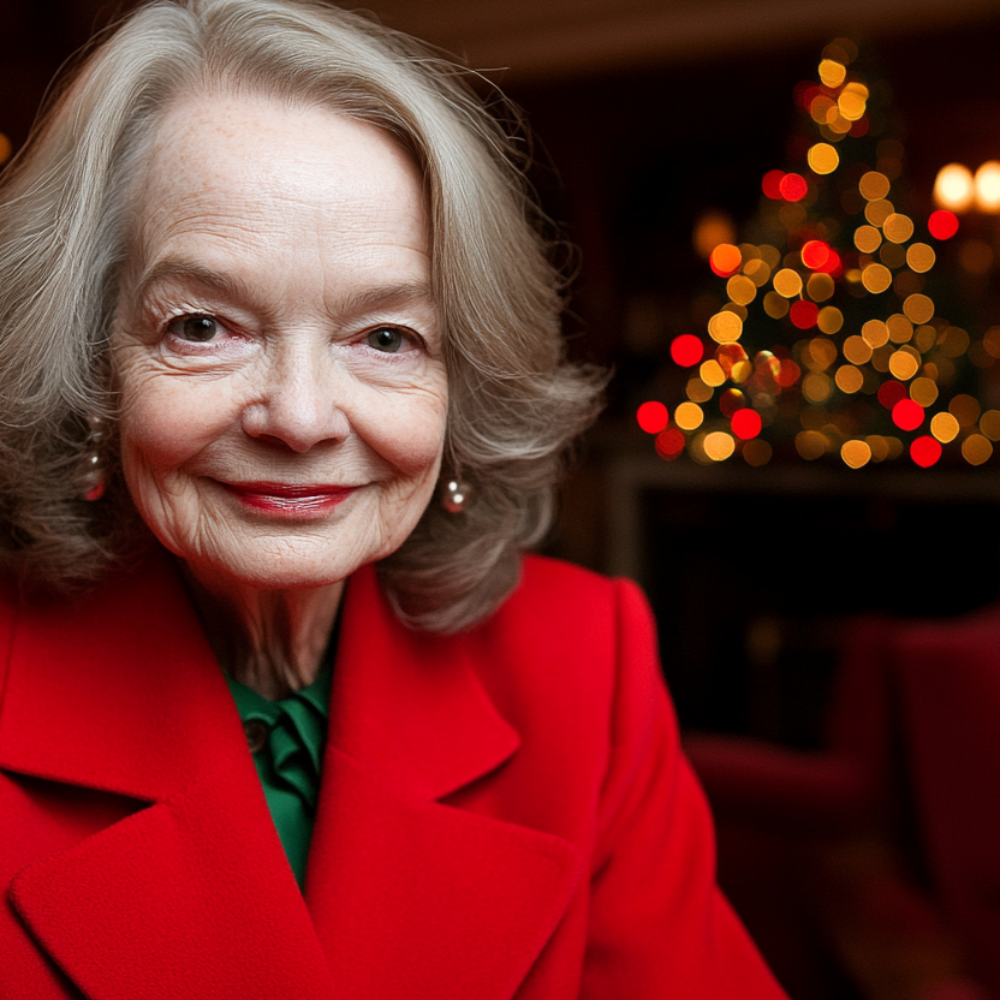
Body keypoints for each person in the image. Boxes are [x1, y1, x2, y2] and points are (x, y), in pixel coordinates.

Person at [0, 1, 788, 996]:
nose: (299, 417)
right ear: (89, 370)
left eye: (385, 339)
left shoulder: (586, 670)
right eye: (202, 325)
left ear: (464, 385)